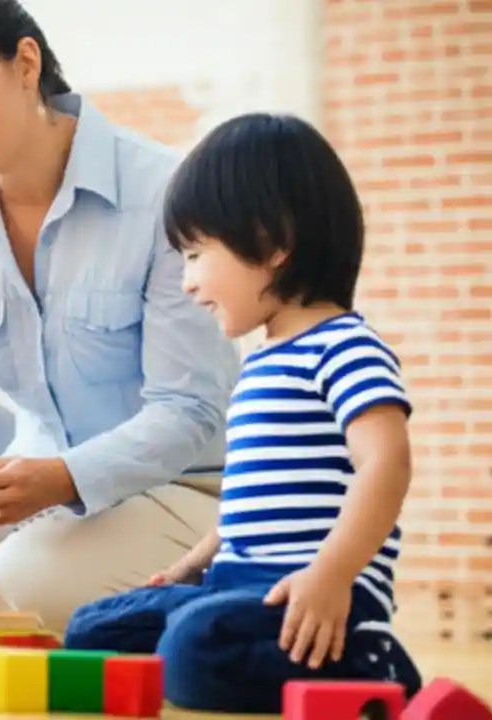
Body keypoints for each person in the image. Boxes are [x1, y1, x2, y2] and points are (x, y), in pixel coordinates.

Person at [0, 0, 240, 633]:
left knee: (10, 593)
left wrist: (64, 477)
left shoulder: (163, 192)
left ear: (25, 64)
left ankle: (212, 603)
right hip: (39, 487)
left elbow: (189, 410)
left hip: (189, 486)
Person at [63, 113, 423, 712]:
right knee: (92, 630)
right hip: (236, 589)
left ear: (273, 242)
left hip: (315, 597)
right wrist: (187, 567)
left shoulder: (346, 346)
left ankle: (368, 659)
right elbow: (245, 509)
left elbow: (388, 463)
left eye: (197, 254)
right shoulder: (259, 364)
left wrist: (332, 576)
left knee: (191, 648)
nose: (187, 282)